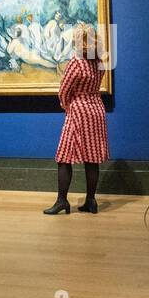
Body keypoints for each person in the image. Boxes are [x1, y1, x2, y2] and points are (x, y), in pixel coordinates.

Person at [45, 23, 109, 214]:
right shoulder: (99, 62)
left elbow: (64, 90)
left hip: (78, 111)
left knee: (64, 157)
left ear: (78, 41)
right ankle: (91, 200)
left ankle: (62, 201)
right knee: (92, 158)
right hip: (96, 109)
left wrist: (66, 105)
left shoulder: (76, 62)